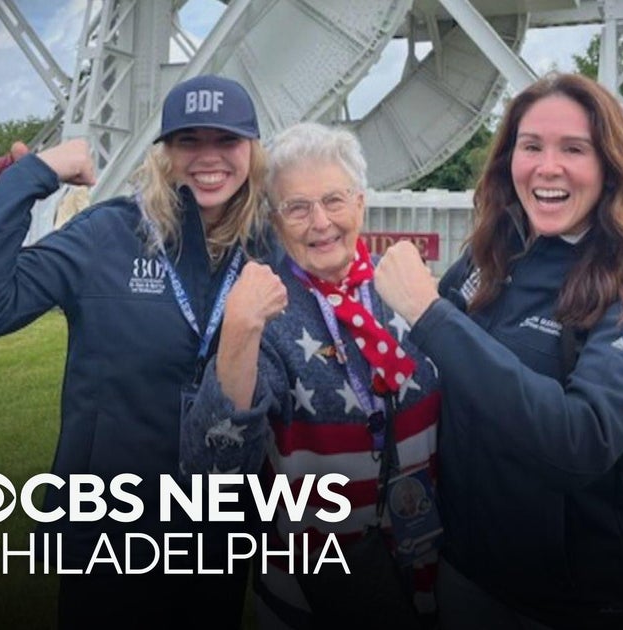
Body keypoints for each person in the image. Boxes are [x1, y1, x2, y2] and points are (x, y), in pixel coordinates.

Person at [0, 74, 277, 629]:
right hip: (109, 537)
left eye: (226, 140)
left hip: (217, 533)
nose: (208, 158)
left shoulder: (264, 246)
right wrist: (33, 175)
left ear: (252, 151)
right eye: (188, 141)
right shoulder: (109, 235)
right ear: (165, 153)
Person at [373, 72, 623, 628]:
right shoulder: (491, 258)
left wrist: (431, 314)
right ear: (509, 161)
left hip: (567, 602)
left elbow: (582, 440)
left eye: (574, 149)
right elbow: (423, 359)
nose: (548, 167)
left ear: (610, 166)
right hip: (461, 571)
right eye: (531, 146)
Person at [180, 122, 442, 629]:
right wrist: (239, 331)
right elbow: (214, 471)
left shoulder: (409, 287)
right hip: (313, 595)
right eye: (297, 208)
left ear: (361, 204)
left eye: (334, 201)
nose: (320, 222)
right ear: (276, 223)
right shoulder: (270, 314)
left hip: (427, 573)